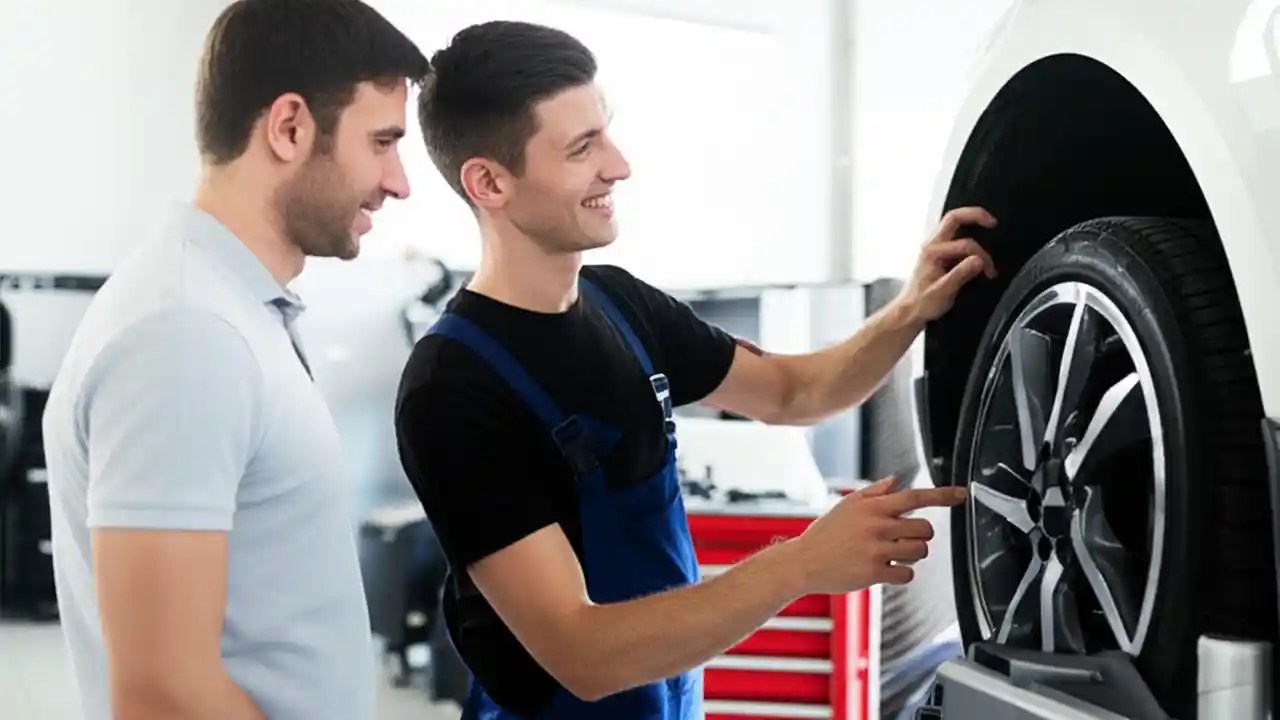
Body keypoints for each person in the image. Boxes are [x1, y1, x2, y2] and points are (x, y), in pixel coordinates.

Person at [394, 20, 997, 720]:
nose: (618, 166)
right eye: (582, 148)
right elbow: (584, 654)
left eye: (607, 133)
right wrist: (802, 563)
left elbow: (794, 390)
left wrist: (910, 309)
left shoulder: (621, 305)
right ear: (489, 182)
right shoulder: (454, 388)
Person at [40, 2, 429, 718]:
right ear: (289, 128)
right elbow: (165, 693)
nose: (399, 180)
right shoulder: (187, 333)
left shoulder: (235, 312)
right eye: (381, 142)